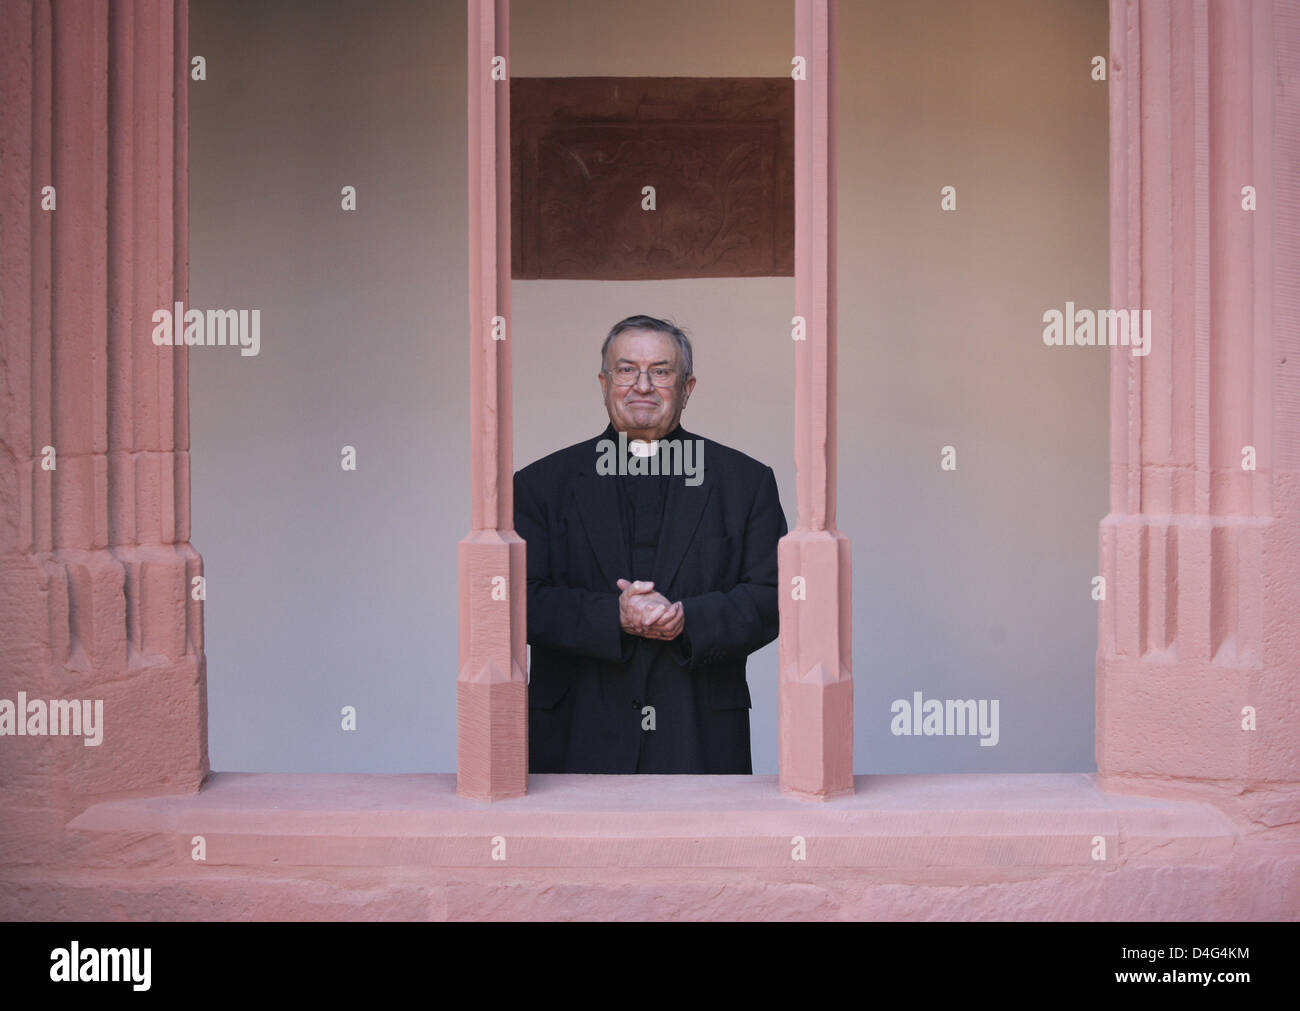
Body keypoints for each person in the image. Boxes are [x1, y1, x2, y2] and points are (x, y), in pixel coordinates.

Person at [513, 314, 787, 773]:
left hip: (698, 735)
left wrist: (688, 620)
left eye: (661, 371)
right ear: (604, 383)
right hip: (576, 732)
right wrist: (612, 617)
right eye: (626, 370)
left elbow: (773, 597)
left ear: (687, 388)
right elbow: (517, 600)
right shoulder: (539, 485)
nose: (642, 385)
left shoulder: (746, 482)